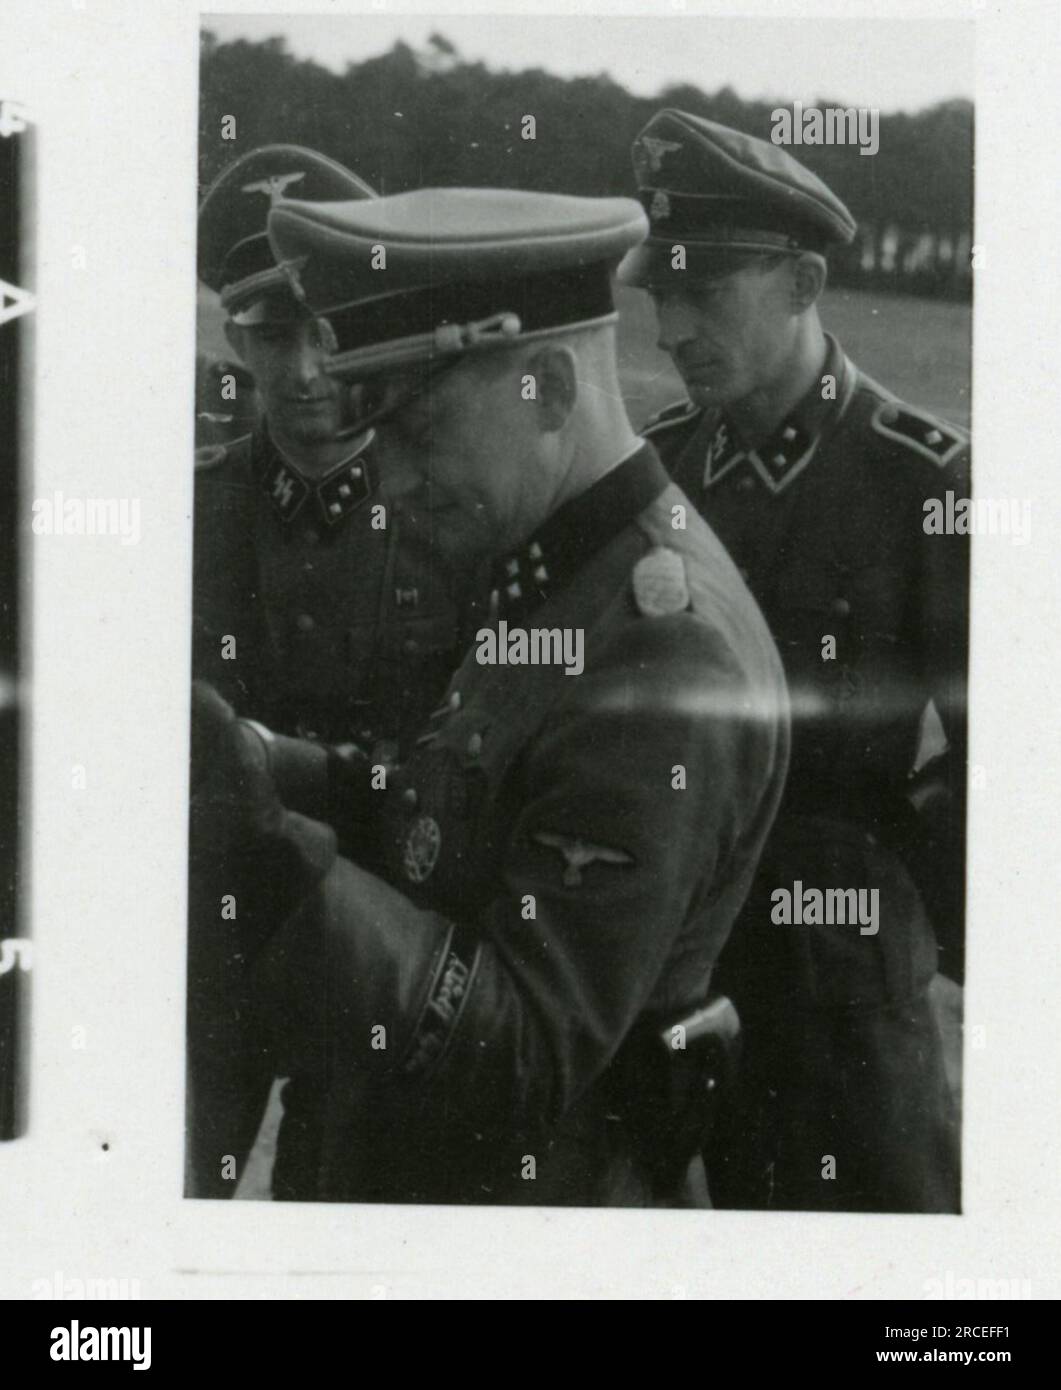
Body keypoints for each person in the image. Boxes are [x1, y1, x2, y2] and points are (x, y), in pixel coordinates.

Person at [189, 185, 790, 1205]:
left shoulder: (666, 656)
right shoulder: (556, 561)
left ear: (547, 388)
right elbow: (451, 818)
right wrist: (255, 761)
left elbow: (525, 1047)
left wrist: (275, 860)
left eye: (417, 431)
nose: (386, 483)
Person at [618, 108, 968, 1212]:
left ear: (804, 283)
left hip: (842, 988)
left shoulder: (923, 483)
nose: (669, 326)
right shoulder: (657, 470)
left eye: (704, 293)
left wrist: (903, 915)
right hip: (671, 962)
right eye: (658, 293)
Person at [188, 148, 483, 1197]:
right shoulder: (190, 509)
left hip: (382, 938)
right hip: (210, 937)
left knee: (336, 1212)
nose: (307, 372)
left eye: (326, 330)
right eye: (272, 335)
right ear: (234, 338)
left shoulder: (462, 516)